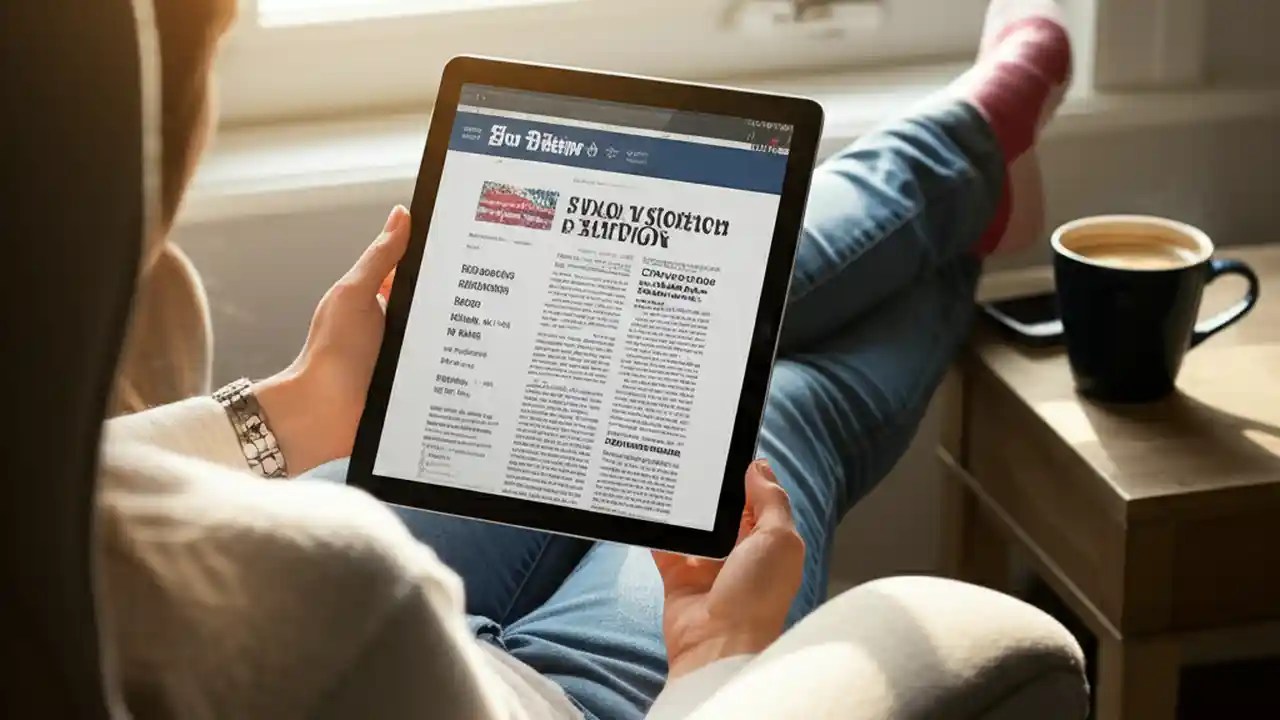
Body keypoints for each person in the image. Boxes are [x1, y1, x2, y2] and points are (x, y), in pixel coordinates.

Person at [99, 0, 1072, 717]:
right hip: (543, 698)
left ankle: (970, 172)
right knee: (773, 405)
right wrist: (718, 651)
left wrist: (294, 408)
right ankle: (968, 165)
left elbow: (79, 487)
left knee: (672, 331)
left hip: (305, 587)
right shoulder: (348, 595)